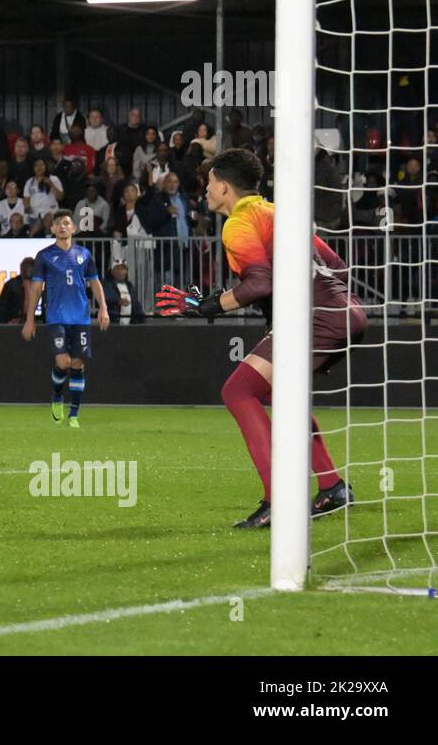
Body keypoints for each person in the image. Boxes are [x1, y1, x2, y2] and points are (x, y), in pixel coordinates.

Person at [156, 148, 364, 528]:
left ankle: (278, 500)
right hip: (347, 312)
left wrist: (211, 306)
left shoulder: (238, 223)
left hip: (317, 316)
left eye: (208, 184)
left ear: (223, 185)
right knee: (275, 393)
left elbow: (259, 283)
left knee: (237, 392)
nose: (205, 191)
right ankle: (333, 487)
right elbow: (337, 267)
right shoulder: (278, 213)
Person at [22, 209, 110, 429]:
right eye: (58, 223)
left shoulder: (84, 254)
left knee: (78, 364)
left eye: (67, 223)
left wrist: (103, 308)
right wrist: (30, 318)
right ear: (52, 229)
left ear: (74, 228)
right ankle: (57, 395)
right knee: (63, 362)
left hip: (80, 316)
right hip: (56, 316)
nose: (62, 226)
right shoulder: (45, 255)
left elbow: (95, 282)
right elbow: (35, 287)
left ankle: (74, 415)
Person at [0, 257, 35, 324]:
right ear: (21, 269)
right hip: (13, 321)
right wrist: (4, 323)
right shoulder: (11, 284)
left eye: (30, 267)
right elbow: (1, 306)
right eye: (25, 267)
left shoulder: (36, 284)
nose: (27, 270)